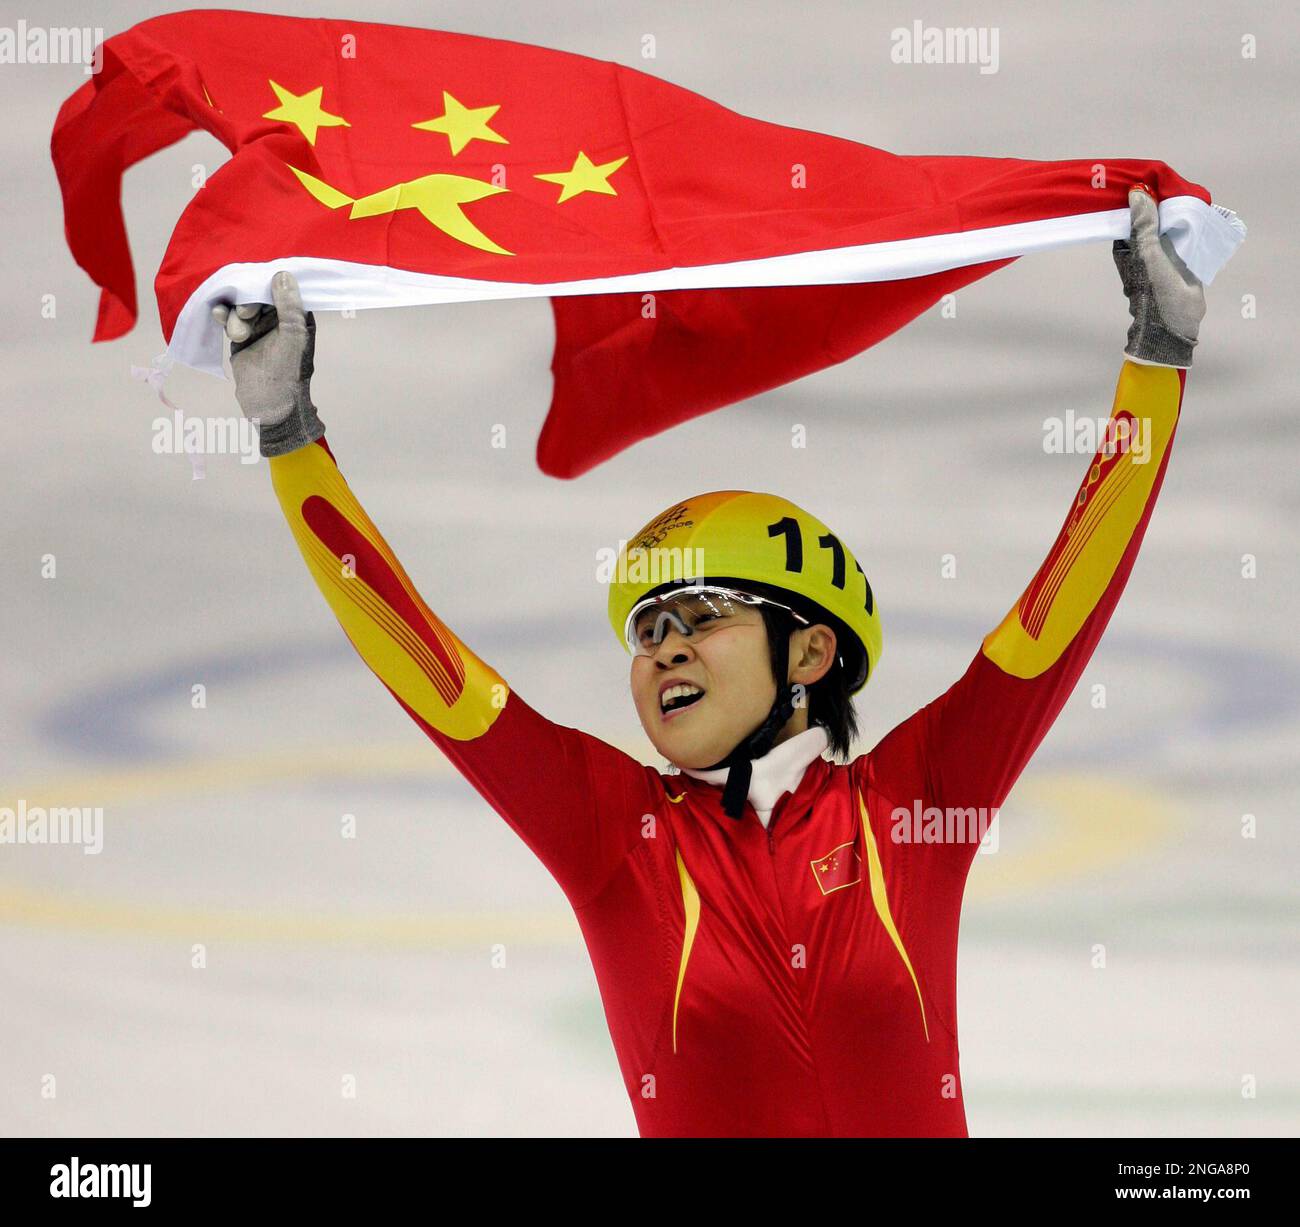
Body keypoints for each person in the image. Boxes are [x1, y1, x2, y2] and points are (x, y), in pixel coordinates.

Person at [214, 186, 1204, 1137]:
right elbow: (430, 669)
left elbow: (1064, 603)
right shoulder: (614, 836)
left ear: (810, 650)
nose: (665, 649)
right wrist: (289, 436)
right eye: (647, 632)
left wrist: (1156, 355)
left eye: (702, 618)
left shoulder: (914, 806)